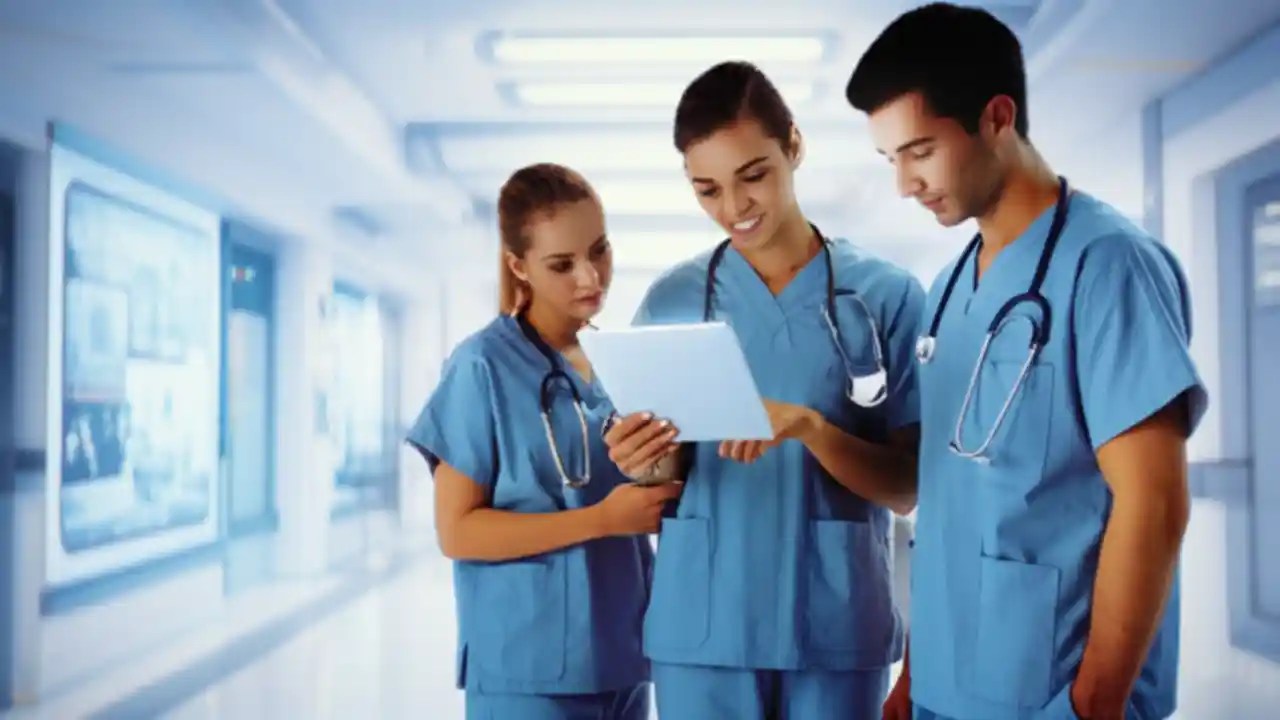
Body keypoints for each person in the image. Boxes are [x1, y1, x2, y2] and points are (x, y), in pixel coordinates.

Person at [844, 4, 1208, 719]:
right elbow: (948, 506)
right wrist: (917, 677)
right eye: (891, 160)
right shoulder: (949, 290)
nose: (904, 184)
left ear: (997, 117)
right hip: (948, 689)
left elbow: (1154, 502)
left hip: (1052, 695)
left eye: (919, 151)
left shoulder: (1108, 266)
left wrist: (1091, 704)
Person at [604, 60, 925, 719]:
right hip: (703, 627)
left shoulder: (886, 297)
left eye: (753, 176)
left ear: (795, 147)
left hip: (833, 624)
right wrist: (643, 460)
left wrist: (811, 428)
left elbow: (908, 486)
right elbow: (662, 478)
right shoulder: (671, 300)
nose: (734, 208)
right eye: (707, 190)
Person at [404, 163, 682, 720]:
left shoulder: (621, 364)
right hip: (525, 672)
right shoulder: (481, 366)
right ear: (518, 266)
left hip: (626, 657)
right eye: (562, 264)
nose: (590, 278)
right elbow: (457, 530)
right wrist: (601, 520)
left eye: (599, 250)